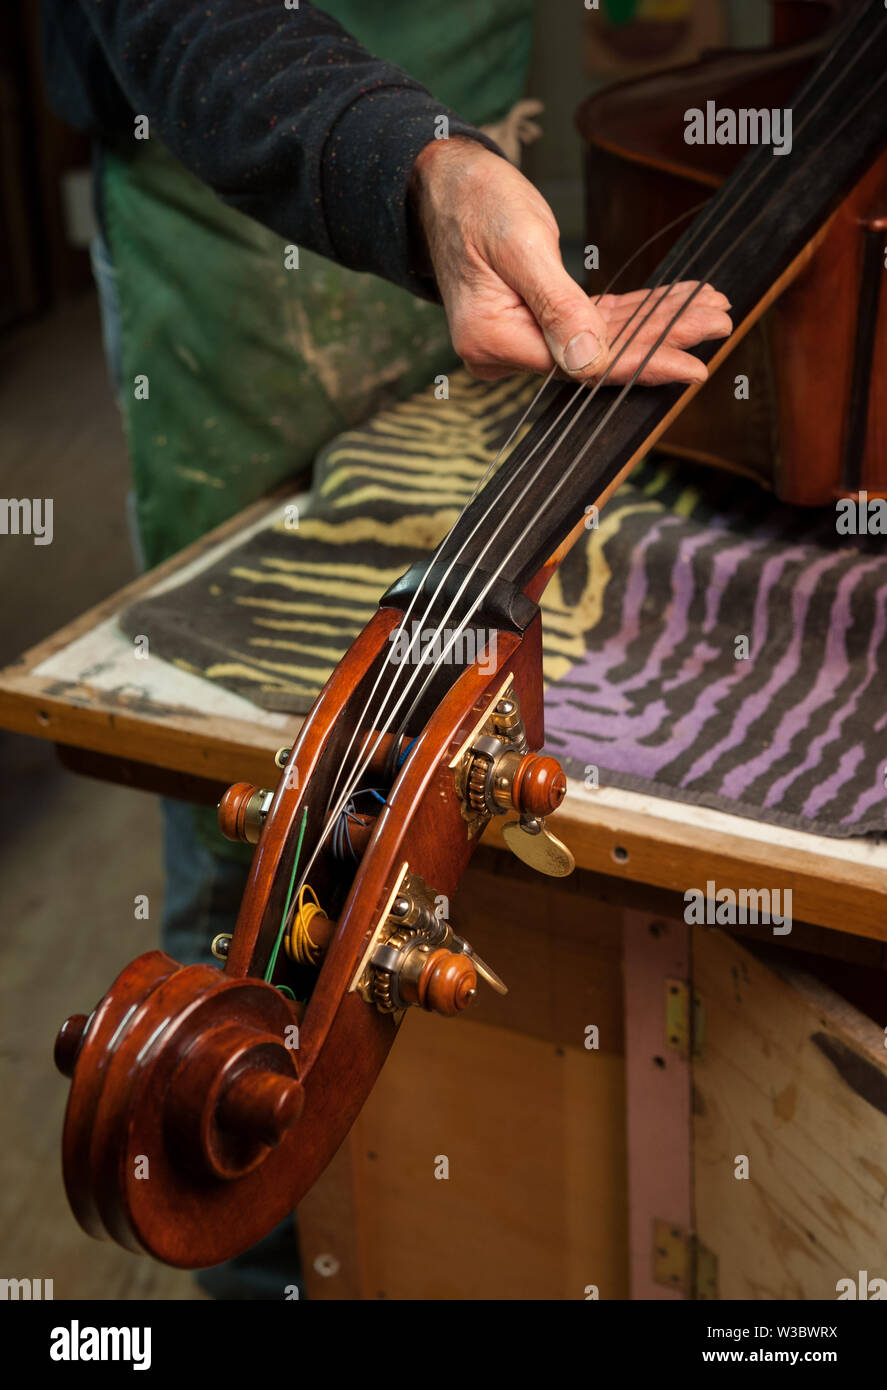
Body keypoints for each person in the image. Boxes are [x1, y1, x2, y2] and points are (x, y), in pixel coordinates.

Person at [41, 0, 731, 1298]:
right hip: (230, 209)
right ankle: (257, 1243)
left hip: (475, 167)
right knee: (241, 749)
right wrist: (419, 162)